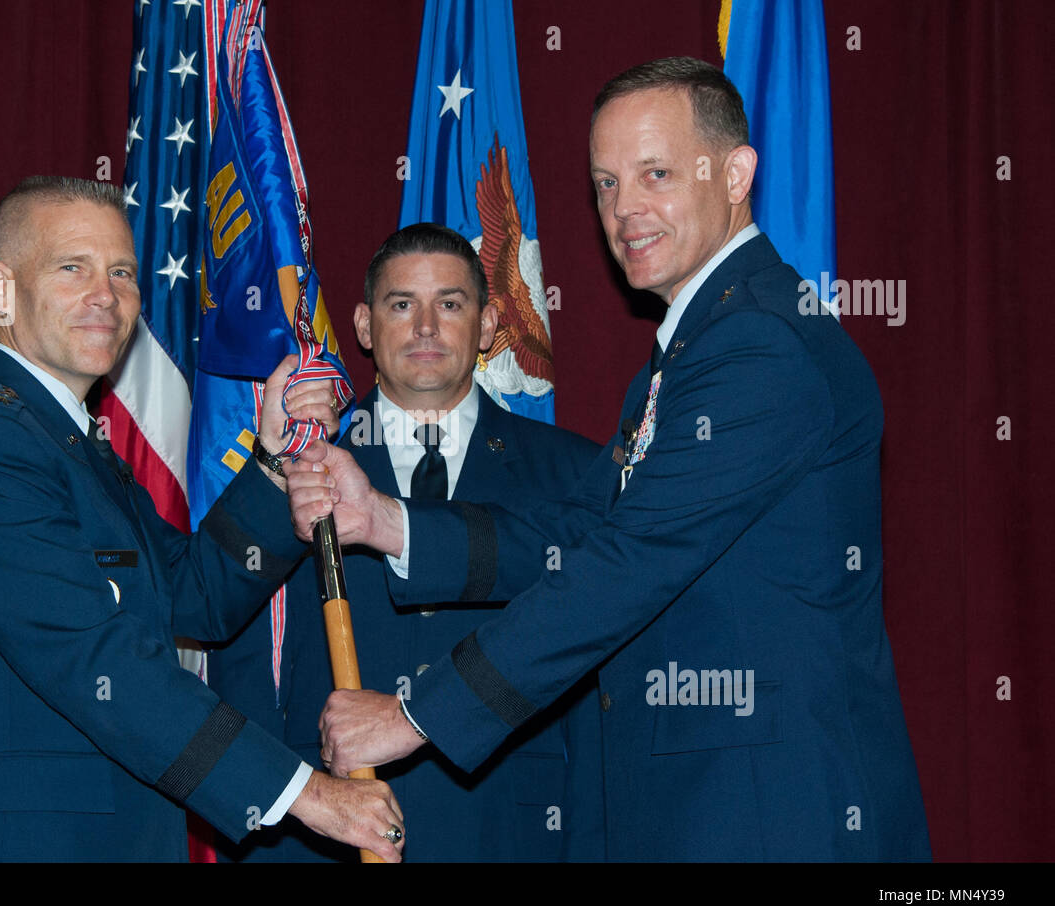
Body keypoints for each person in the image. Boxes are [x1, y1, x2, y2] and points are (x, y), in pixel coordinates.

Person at [293, 58, 932, 861]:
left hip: (774, 815)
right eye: (605, 183)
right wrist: (388, 522)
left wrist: (413, 716)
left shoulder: (760, 345)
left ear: (736, 173)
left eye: (655, 173)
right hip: (701, 810)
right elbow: (582, 531)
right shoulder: (683, 358)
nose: (625, 209)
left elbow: (626, 566)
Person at [0, 176, 404, 862]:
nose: (105, 294)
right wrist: (306, 792)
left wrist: (275, 463)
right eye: (72, 267)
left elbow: (191, 593)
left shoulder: (70, 440)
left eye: (122, 271)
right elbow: (101, 664)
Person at [210, 223, 603, 862]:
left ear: (488, 322)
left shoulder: (573, 477)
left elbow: (593, 690)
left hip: (514, 834)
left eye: (450, 303)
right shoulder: (297, 469)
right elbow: (246, 669)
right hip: (328, 837)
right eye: (401, 304)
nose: (425, 326)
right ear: (364, 326)